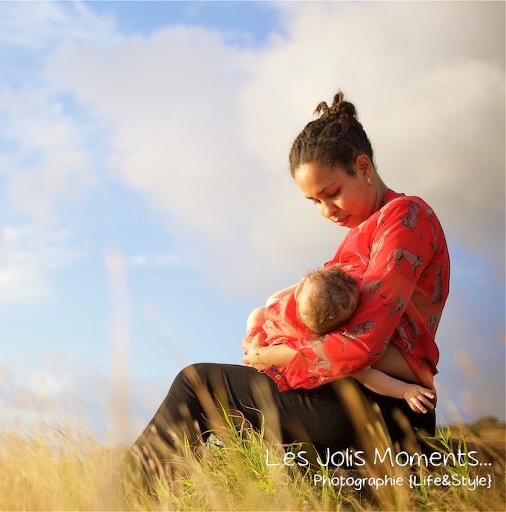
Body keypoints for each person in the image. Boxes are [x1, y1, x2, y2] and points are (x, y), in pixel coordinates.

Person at [128, 91, 450, 486]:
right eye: (314, 201)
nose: (326, 211)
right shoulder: (359, 237)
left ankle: (115, 500)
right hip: (350, 396)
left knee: (197, 384)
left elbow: (361, 344)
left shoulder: (405, 217)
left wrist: (270, 354)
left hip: (387, 403)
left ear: (363, 167)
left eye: (332, 193)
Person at [246, 265, 436, 414]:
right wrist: (405, 391)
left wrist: (255, 340)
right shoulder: (326, 344)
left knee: (256, 314)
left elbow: (270, 304)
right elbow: (368, 376)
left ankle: (251, 350)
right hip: (280, 365)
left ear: (297, 293)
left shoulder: (277, 303)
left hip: (268, 343)